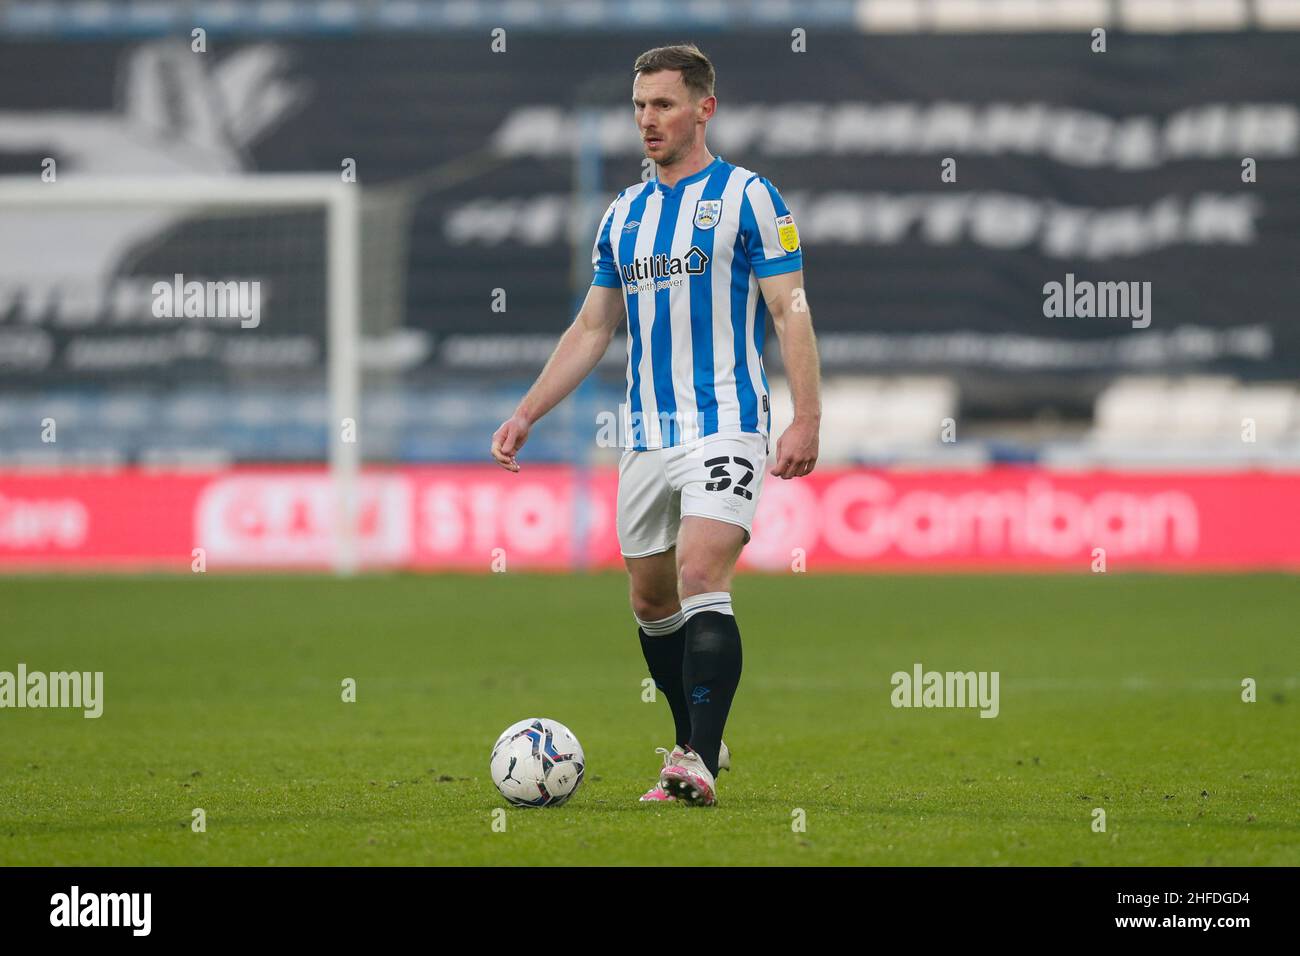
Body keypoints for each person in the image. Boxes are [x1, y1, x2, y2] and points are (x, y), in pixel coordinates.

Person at [491, 43, 821, 806]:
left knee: (701, 575)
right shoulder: (624, 214)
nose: (648, 120)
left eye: (664, 104)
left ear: (705, 108)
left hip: (728, 420)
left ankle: (695, 764)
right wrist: (526, 411)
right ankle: (694, 736)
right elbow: (591, 328)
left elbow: (789, 309)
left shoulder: (752, 198)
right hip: (644, 432)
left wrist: (805, 417)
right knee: (650, 601)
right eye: (640, 106)